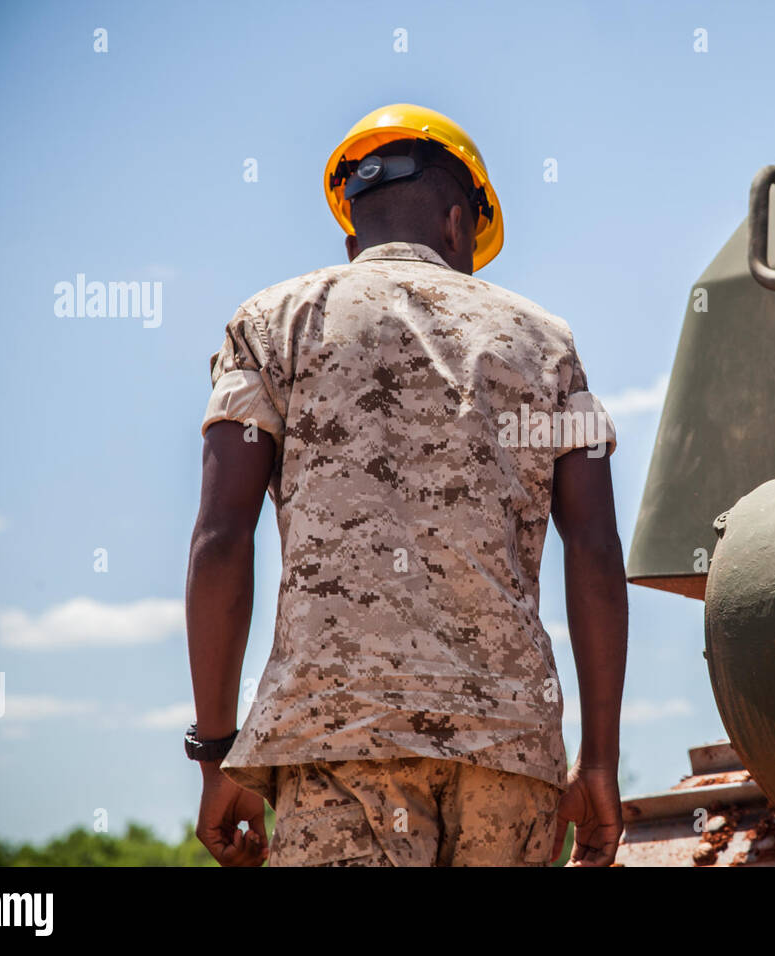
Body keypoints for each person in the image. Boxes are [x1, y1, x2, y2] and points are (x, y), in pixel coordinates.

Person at [184, 104, 628, 867]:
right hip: (510, 749)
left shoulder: (271, 323)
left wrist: (217, 752)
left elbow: (222, 539)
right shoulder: (546, 344)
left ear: (351, 225)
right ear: (459, 226)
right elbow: (594, 547)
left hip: (334, 739)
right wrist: (598, 764)